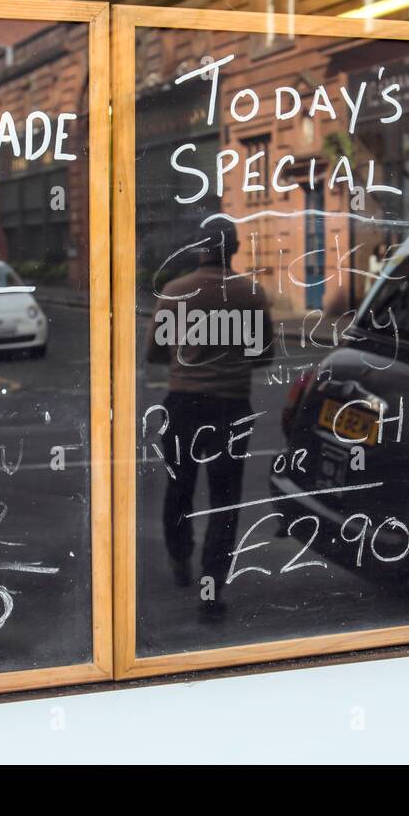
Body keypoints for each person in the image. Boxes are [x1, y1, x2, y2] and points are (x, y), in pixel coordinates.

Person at [144, 221, 274, 621]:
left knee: (179, 488)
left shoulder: (175, 292)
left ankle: (181, 559)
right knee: (224, 499)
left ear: (199, 248)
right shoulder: (251, 293)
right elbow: (264, 356)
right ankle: (212, 587)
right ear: (234, 248)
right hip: (230, 406)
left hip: (182, 403)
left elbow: (153, 353)